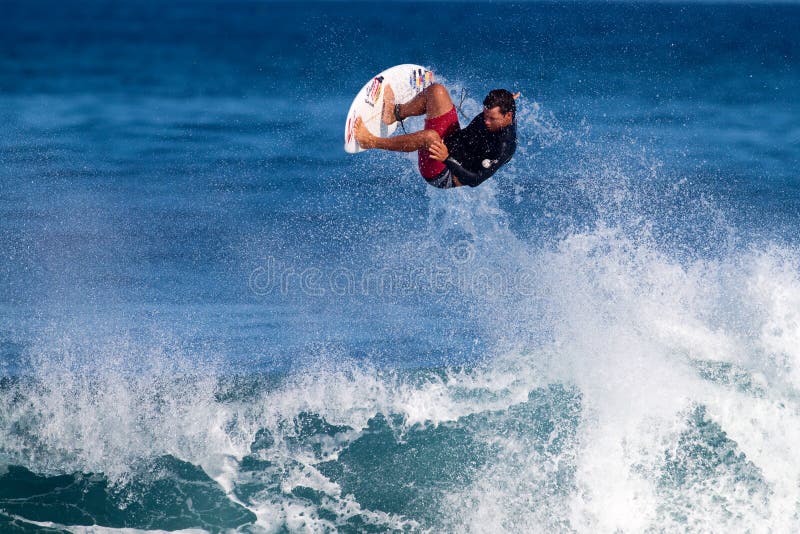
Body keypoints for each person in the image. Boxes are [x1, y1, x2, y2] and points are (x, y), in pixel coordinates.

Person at [354, 83, 518, 188]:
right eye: (485, 115)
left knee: (430, 137)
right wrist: (507, 99)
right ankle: (395, 113)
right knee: (437, 91)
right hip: (452, 140)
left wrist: (446, 158)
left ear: (508, 116)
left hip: (444, 172)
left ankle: (370, 141)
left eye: (492, 118)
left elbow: (475, 180)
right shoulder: (504, 111)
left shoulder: (504, 147)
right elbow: (503, 108)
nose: (486, 121)